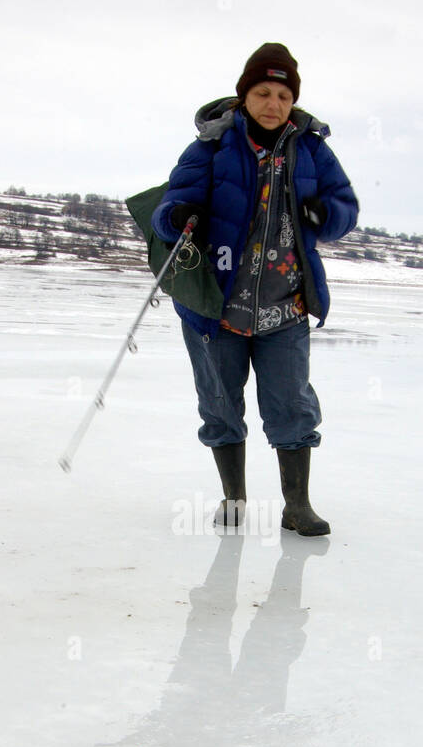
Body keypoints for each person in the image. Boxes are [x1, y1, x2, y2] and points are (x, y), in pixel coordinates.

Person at [152, 42, 359, 536]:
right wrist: (179, 217)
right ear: (245, 95)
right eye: (263, 93)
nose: (274, 104)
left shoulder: (312, 149)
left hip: (284, 307)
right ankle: (234, 498)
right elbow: (167, 206)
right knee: (220, 404)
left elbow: (345, 207)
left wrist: (324, 216)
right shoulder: (213, 145)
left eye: (284, 96)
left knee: (291, 404)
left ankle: (297, 506)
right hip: (216, 304)